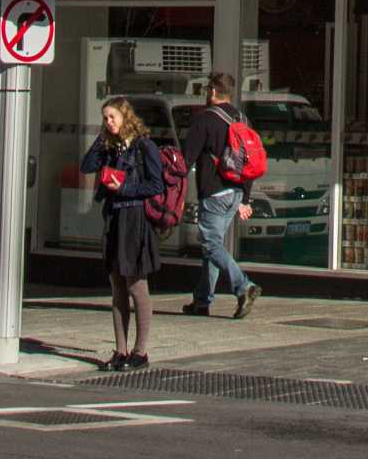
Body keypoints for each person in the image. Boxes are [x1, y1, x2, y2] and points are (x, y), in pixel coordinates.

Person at [80, 98, 167, 371]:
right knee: (117, 285)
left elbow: (155, 185)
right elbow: (87, 165)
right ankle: (120, 350)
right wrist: (102, 138)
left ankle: (140, 352)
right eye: (105, 118)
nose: (109, 122)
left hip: (134, 216)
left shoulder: (145, 146)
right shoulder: (111, 147)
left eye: (112, 117)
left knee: (135, 285)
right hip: (114, 216)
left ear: (125, 116)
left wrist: (124, 186)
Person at [179, 73, 260, 319]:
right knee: (213, 247)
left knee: (209, 244)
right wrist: (245, 198)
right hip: (235, 192)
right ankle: (202, 301)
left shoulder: (204, 119)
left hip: (214, 193)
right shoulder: (242, 118)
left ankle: (243, 286)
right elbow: (249, 161)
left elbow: (186, 159)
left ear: (212, 91)